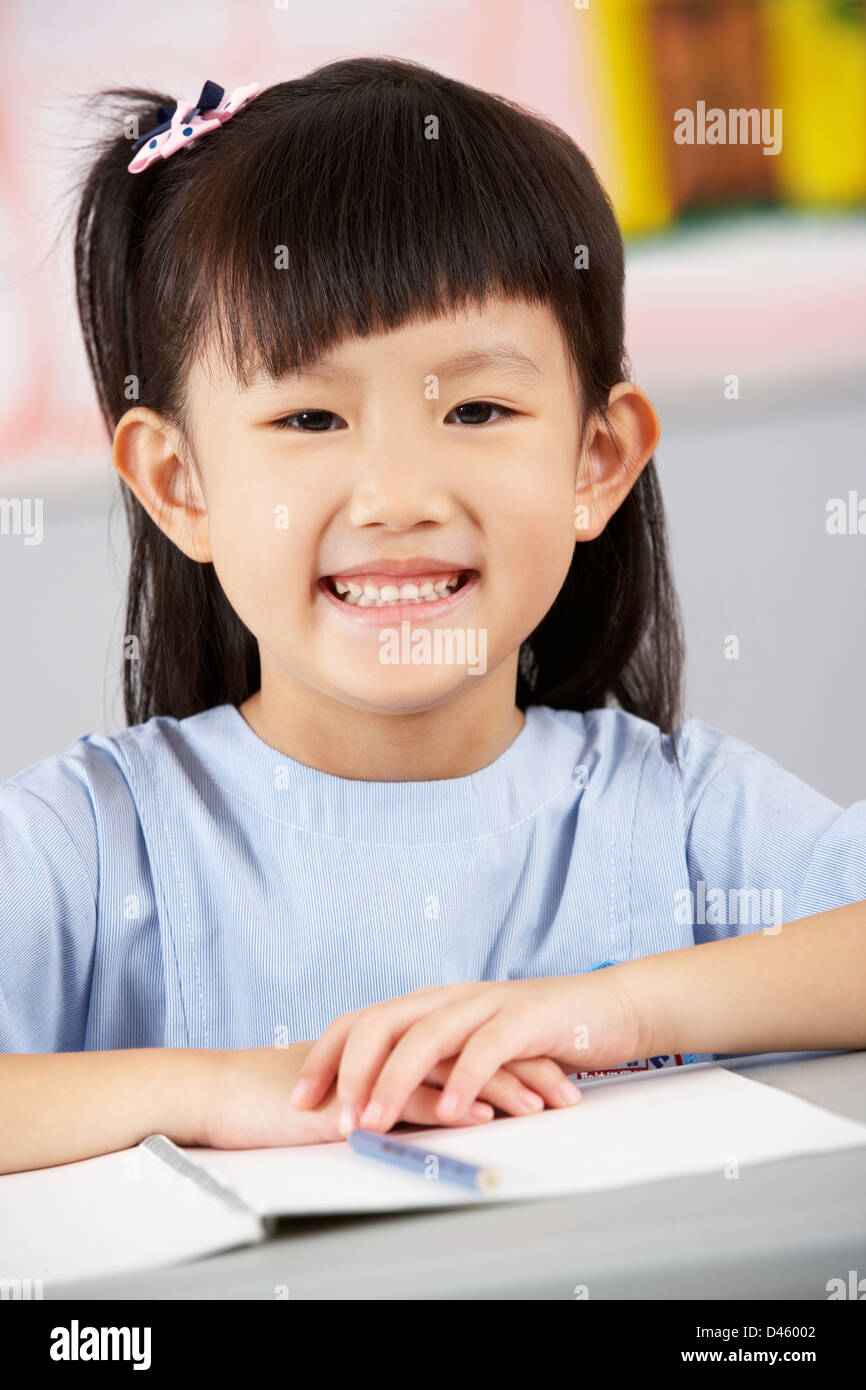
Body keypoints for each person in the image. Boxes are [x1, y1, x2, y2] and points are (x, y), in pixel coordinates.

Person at [2, 58, 864, 1174]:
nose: (400, 495)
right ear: (179, 484)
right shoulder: (90, 840)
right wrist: (224, 1088)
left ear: (594, 461)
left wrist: (616, 1012)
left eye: (476, 407)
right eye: (310, 416)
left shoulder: (677, 817)